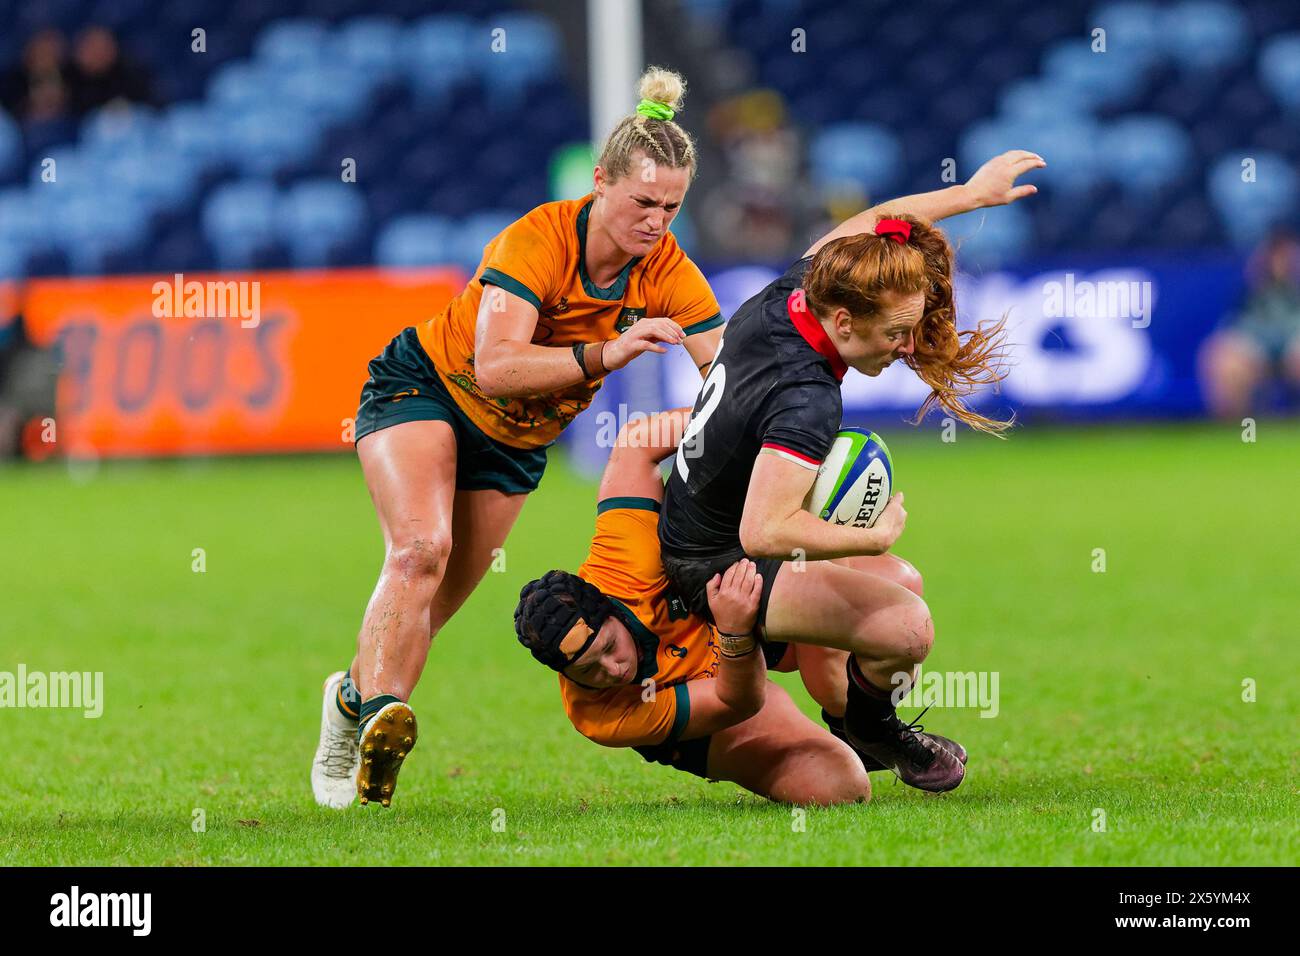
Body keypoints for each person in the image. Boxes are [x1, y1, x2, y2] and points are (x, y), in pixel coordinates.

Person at [312, 67, 727, 809]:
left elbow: (724, 376)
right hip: (429, 390)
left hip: (515, 444)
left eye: (670, 206)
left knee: (426, 614)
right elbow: (497, 367)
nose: (655, 221)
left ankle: (350, 702)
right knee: (419, 552)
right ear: (599, 181)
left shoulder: (668, 270)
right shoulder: (536, 240)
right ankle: (382, 720)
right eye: (641, 202)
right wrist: (608, 353)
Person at [657, 151, 1045, 792]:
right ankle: (871, 731)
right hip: (718, 568)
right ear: (844, 321)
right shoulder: (806, 397)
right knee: (906, 628)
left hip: (699, 523)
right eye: (897, 332)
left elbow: (874, 222)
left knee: (903, 584)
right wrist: (872, 536)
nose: (910, 347)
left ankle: (847, 717)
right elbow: (765, 531)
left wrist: (972, 195)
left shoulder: (796, 291)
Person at [515, 409, 959, 803]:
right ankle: (850, 747)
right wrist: (732, 633)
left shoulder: (621, 557)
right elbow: (736, 702)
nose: (611, 671)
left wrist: (748, 425)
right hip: (717, 705)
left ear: (609, 608)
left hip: (744, 613)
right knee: (841, 786)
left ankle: (859, 726)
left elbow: (634, 443)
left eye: (608, 647)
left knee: (900, 589)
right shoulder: (597, 715)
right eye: (588, 672)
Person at [1199, 229, 1300, 419]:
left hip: (1294, 335)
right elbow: (1232, 326)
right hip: (1255, 339)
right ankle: (1243, 433)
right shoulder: (1247, 283)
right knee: (1226, 363)